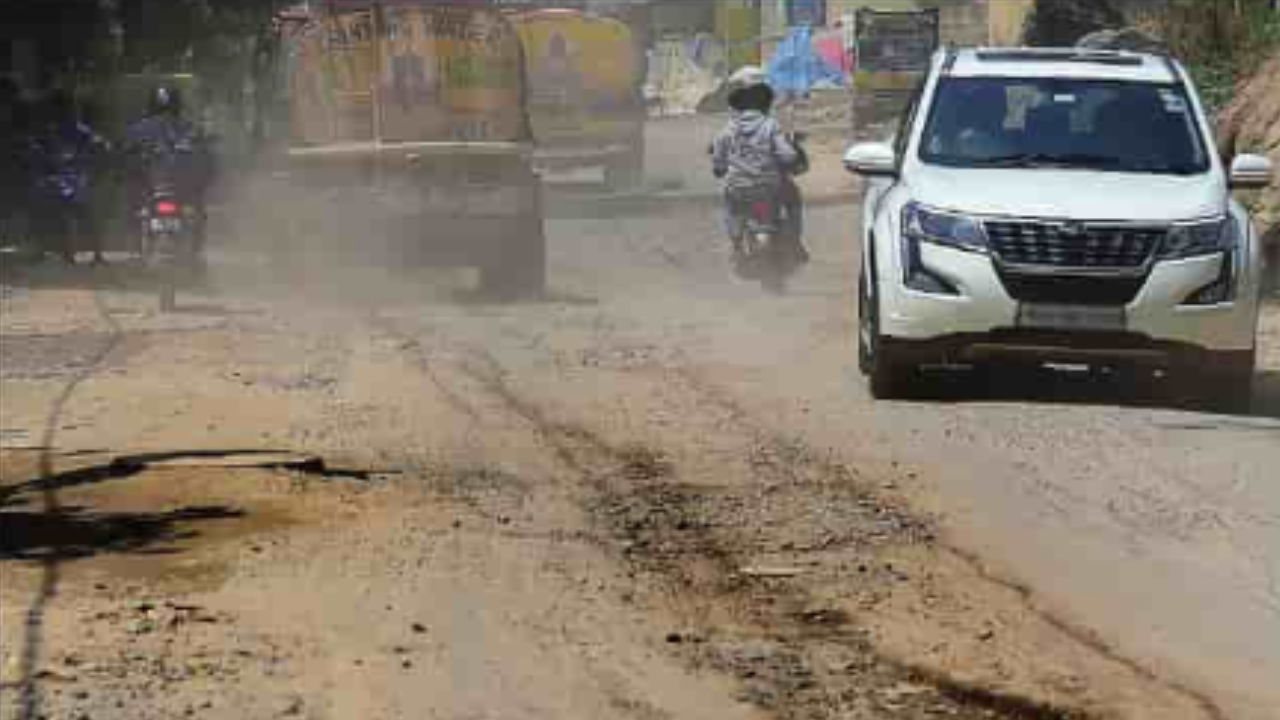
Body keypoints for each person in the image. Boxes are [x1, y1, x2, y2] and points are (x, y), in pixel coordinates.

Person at [709, 66, 807, 266]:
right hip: (769, 184)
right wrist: (792, 154)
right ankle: (795, 243)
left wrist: (720, 166)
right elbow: (787, 154)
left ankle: (736, 246)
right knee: (793, 197)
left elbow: (718, 158)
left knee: (730, 204)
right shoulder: (771, 122)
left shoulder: (729, 128)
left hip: (738, 186)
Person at [122, 85, 215, 261]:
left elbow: (125, 158)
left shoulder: (137, 129)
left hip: (151, 187)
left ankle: (136, 249)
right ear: (177, 105)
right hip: (179, 189)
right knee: (198, 213)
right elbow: (207, 160)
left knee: (133, 208)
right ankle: (194, 253)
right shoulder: (190, 128)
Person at [25, 90, 110, 264]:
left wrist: (94, 157)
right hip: (55, 176)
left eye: (64, 108)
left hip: (75, 177)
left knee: (88, 211)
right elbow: (34, 151)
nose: (62, 112)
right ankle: (41, 249)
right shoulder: (48, 131)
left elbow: (99, 145)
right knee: (38, 205)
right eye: (59, 108)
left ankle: (97, 252)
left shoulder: (79, 130)